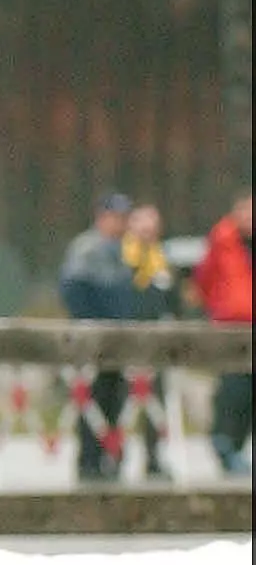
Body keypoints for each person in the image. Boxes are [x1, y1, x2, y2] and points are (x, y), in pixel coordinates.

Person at [57, 192, 138, 483]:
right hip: (93, 340)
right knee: (92, 400)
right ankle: (90, 460)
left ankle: (113, 456)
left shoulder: (127, 250)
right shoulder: (86, 249)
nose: (121, 223)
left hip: (119, 339)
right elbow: (73, 292)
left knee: (118, 400)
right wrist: (91, 327)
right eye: (116, 217)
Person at [121, 201, 180, 479]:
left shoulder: (162, 257)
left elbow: (173, 298)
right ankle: (114, 456)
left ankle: (155, 458)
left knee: (156, 401)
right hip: (127, 339)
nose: (147, 230)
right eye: (142, 224)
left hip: (157, 342)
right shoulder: (122, 257)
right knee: (123, 400)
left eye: (152, 225)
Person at [200, 187, 253, 477]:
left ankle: (239, 448)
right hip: (232, 327)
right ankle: (225, 443)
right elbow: (205, 280)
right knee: (233, 389)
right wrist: (220, 309)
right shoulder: (223, 241)